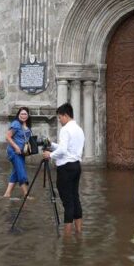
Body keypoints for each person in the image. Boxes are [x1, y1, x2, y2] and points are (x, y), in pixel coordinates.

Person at [44, 102, 85, 237]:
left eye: (60, 118)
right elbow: (66, 148)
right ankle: (78, 232)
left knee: (67, 202)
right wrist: (52, 145)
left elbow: (63, 151)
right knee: (75, 198)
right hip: (76, 166)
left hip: (66, 168)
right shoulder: (79, 129)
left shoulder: (65, 129)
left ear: (65, 115)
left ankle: (67, 238)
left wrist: (49, 154)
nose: (60, 121)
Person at [2, 106, 32, 200]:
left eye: (25, 114)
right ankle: (26, 195)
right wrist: (16, 147)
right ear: (18, 115)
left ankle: (7, 194)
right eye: (22, 114)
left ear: (28, 115)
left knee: (16, 172)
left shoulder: (27, 124)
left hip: (22, 153)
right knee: (21, 172)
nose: (23, 115)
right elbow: (7, 136)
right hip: (14, 152)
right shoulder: (16, 124)